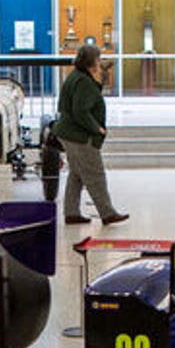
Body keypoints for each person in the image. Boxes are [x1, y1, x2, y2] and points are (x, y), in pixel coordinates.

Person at [54, 42, 125, 226]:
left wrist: (99, 75)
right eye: (98, 59)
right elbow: (81, 111)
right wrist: (96, 128)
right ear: (91, 62)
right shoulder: (84, 82)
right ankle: (107, 213)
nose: (101, 62)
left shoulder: (77, 76)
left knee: (76, 174)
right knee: (95, 174)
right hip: (79, 136)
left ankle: (71, 212)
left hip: (67, 132)